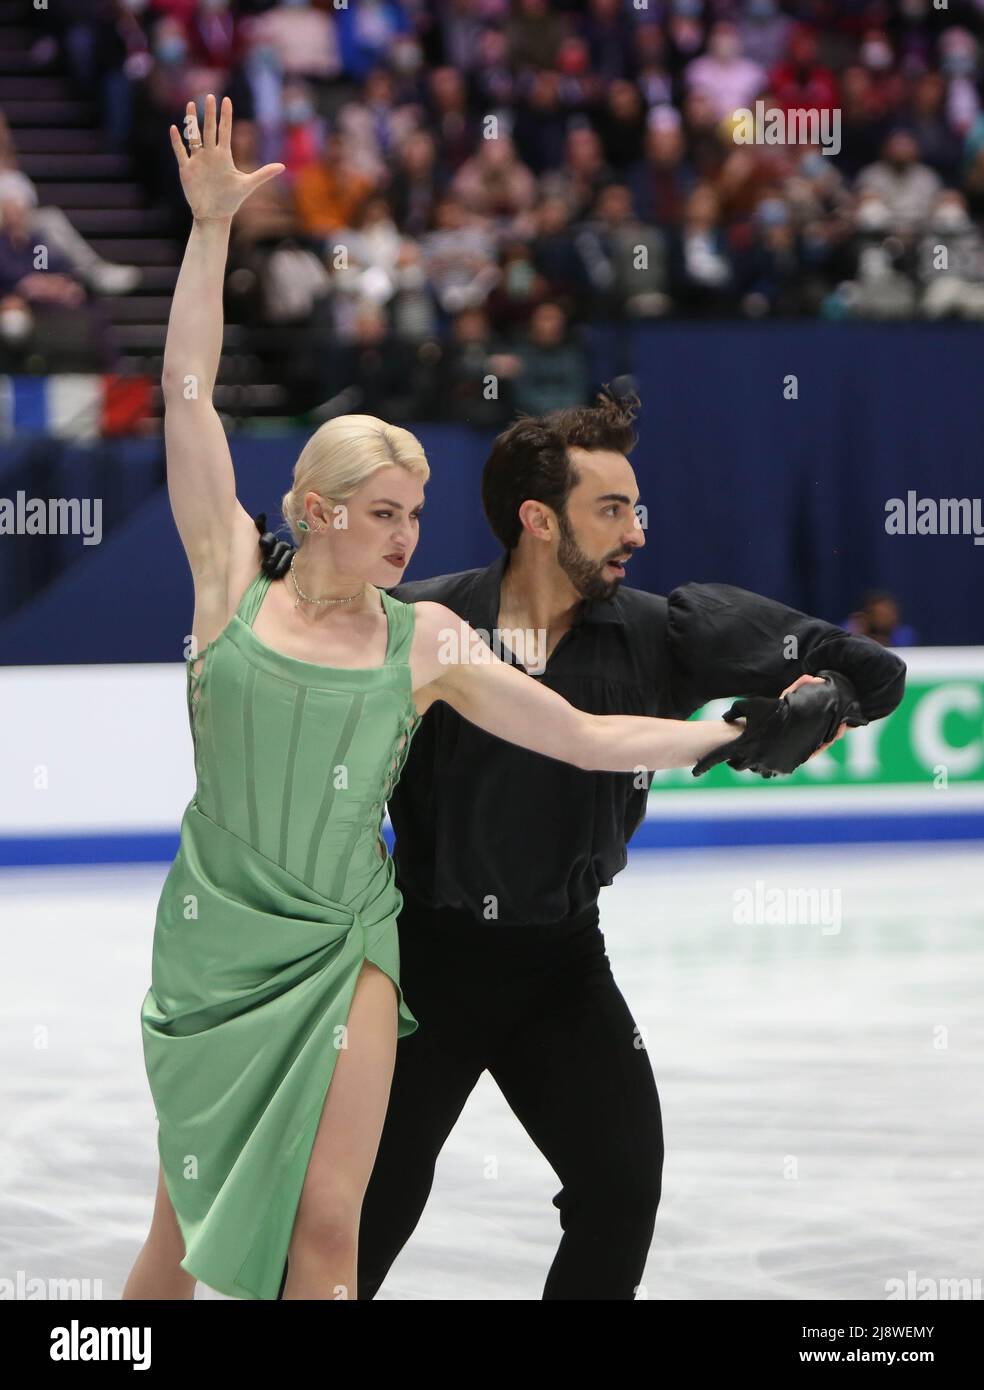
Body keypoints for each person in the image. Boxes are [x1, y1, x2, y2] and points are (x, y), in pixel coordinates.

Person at [123, 95, 760, 1303]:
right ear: (316, 511)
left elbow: (576, 734)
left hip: (356, 944)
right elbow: (189, 395)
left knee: (329, 1229)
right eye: (384, 514)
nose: (407, 536)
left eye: (415, 515)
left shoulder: (430, 639)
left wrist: (728, 733)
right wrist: (210, 232)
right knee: (180, 1242)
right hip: (220, 934)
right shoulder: (228, 589)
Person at [345, 396, 907, 1302]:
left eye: (636, 508)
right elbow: (283, 641)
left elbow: (877, 673)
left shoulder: (667, 632)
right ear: (538, 520)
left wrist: (823, 699)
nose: (637, 533)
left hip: (563, 967)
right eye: (611, 509)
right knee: (362, 1215)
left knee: (620, 1194)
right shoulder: (422, 623)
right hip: (422, 973)